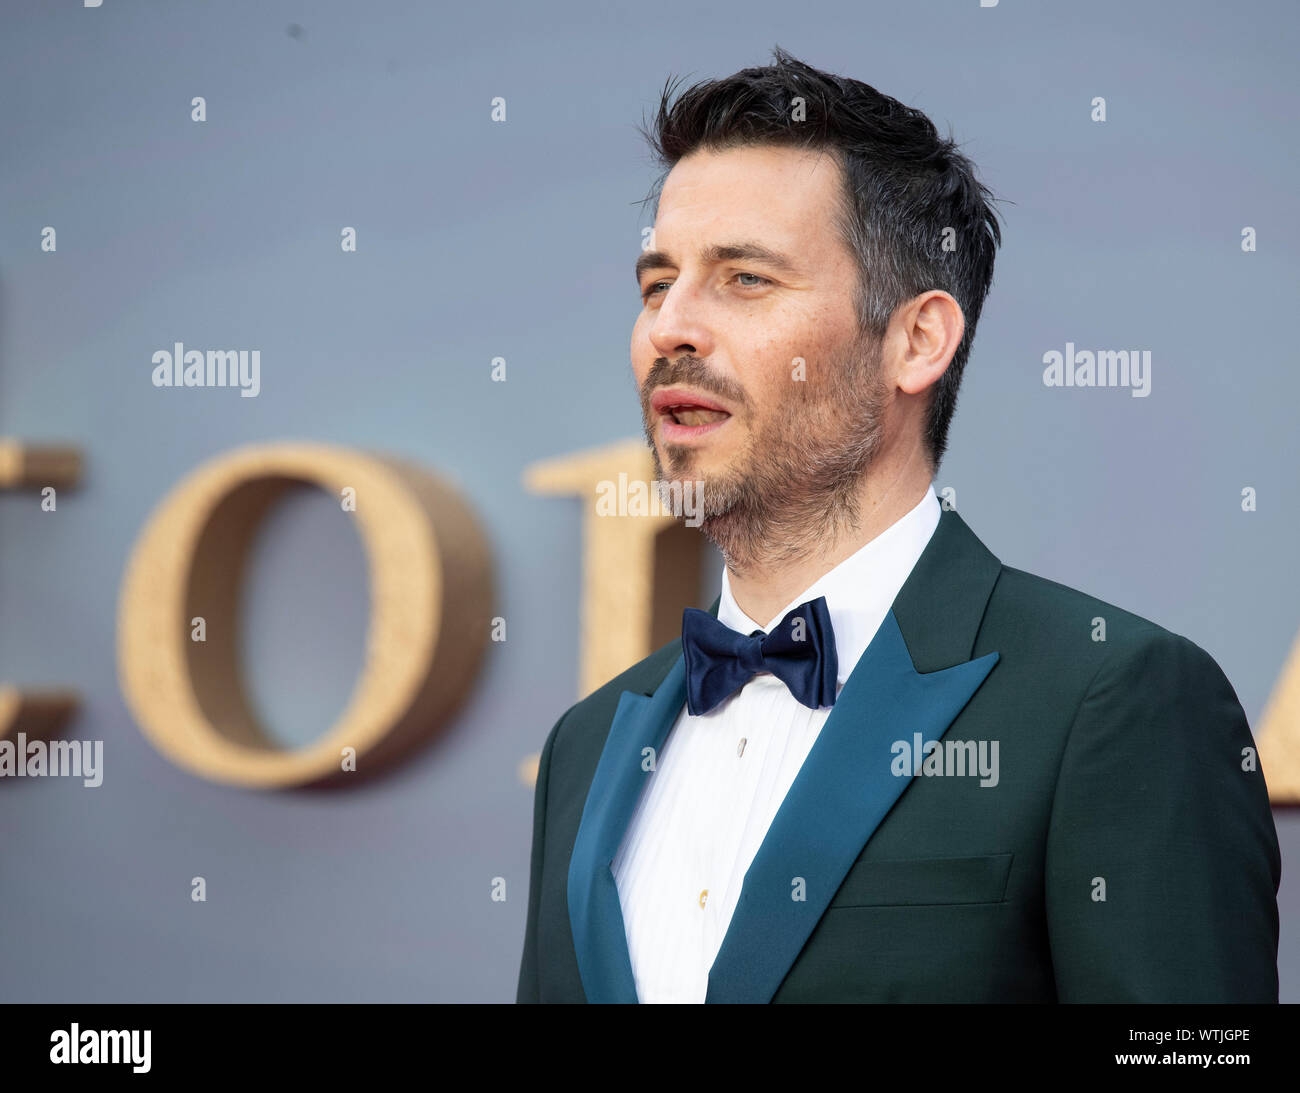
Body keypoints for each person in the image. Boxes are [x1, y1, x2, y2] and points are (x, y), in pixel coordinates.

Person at [515, 47, 1280, 1003]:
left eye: (745, 278)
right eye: (655, 282)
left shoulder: (1111, 700)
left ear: (917, 339)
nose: (671, 325)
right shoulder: (587, 747)